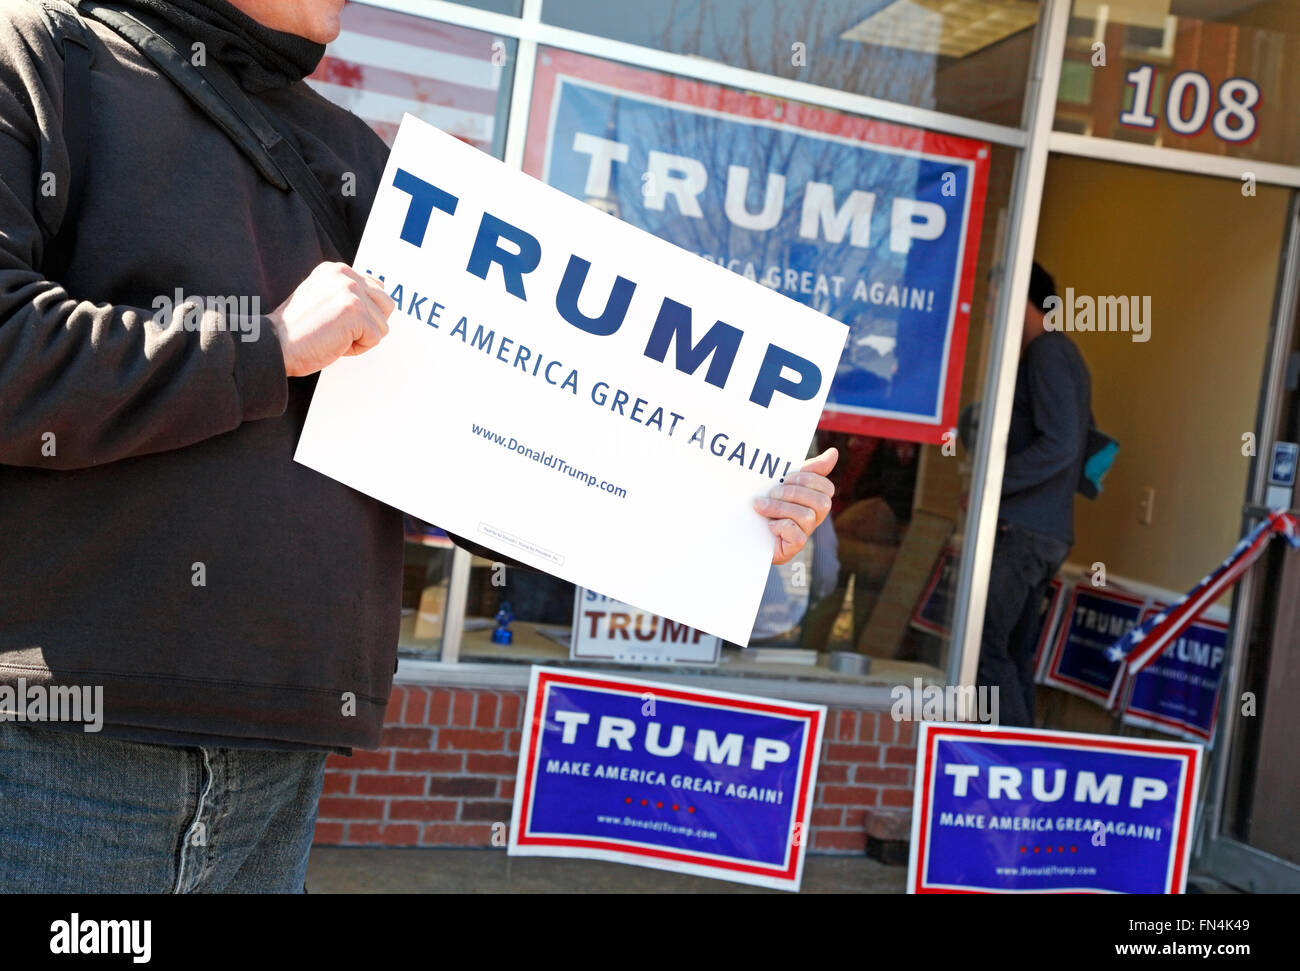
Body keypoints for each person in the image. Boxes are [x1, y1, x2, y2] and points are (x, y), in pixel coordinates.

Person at [0, 0, 837, 893]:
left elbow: (478, 443)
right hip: (67, 741)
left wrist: (725, 510)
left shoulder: (362, 158)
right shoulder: (45, 55)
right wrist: (266, 344)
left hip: (288, 747)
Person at [975, 262, 1090, 728]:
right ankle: (1022, 761)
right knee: (1012, 652)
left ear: (1019, 298)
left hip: (1026, 532)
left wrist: (992, 482)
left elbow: (1062, 444)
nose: (989, 309)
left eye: (994, 296)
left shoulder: (1047, 353)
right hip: (1044, 529)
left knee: (982, 645)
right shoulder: (1063, 355)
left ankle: (1008, 765)